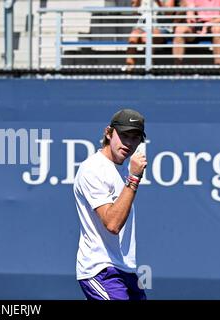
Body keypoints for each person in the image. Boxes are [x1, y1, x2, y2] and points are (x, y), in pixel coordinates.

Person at [73, 108, 148, 300]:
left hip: (126, 270)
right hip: (100, 270)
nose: (129, 143)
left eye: (135, 137)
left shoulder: (120, 169)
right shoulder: (92, 169)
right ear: (108, 133)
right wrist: (134, 177)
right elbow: (112, 224)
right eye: (124, 136)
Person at [125, 0, 175, 69]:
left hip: (161, 26)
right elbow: (135, 12)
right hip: (143, 22)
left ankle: (150, 68)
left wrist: (158, 2)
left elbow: (169, 13)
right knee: (133, 36)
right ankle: (129, 69)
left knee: (146, 36)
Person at [173, 0, 220, 65]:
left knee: (217, 29)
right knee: (180, 30)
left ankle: (218, 68)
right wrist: (191, 18)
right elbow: (190, 10)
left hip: (216, 22)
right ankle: (177, 69)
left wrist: (209, 23)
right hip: (198, 24)